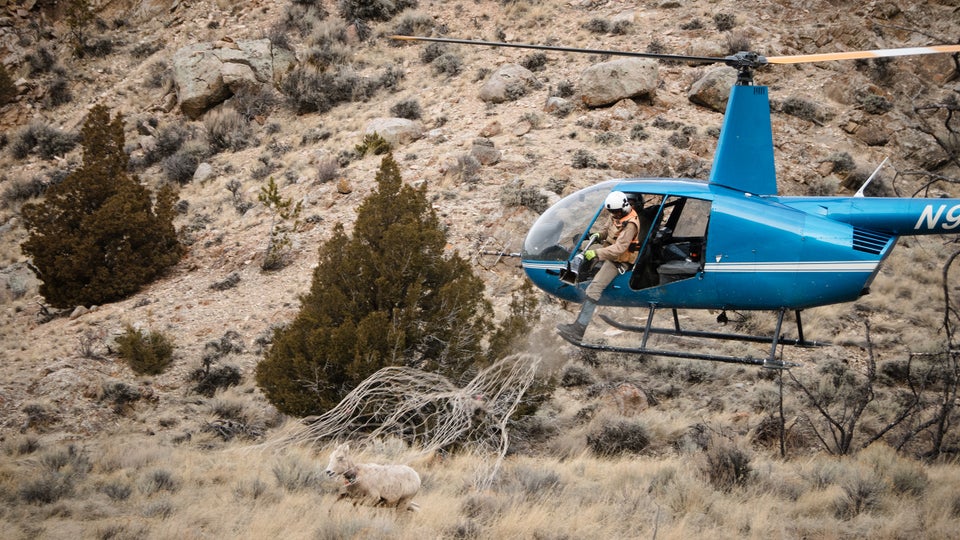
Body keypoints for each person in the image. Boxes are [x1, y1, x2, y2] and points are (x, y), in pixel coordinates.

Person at [557, 190, 648, 342]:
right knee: (581, 250)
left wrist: (597, 253)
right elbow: (607, 230)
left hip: (619, 260)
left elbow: (619, 249)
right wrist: (599, 235)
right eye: (613, 212)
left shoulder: (631, 223)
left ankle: (579, 329)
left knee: (595, 287)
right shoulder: (615, 214)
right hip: (608, 251)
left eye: (617, 212)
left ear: (625, 207)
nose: (615, 215)